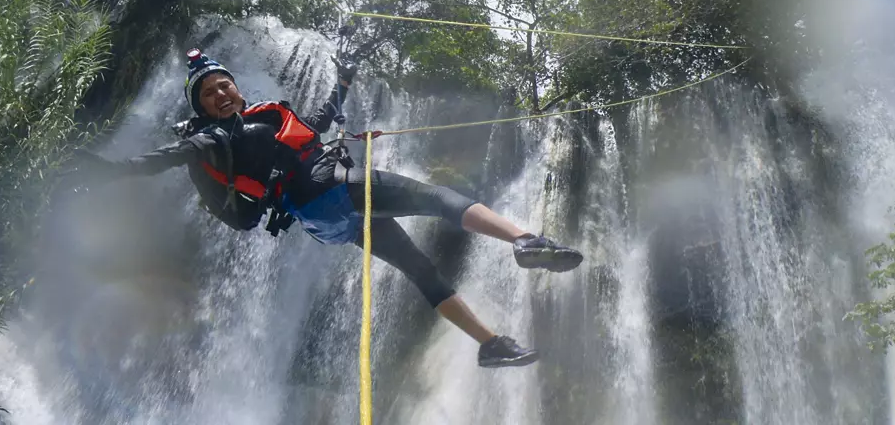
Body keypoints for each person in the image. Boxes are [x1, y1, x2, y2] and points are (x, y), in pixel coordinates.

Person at [63, 48, 584, 368]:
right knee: (434, 199)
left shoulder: (268, 118)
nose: (220, 93)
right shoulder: (214, 138)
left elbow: (318, 119)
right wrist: (111, 170)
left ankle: (491, 344)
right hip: (332, 188)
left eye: (225, 85)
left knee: (421, 268)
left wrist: (344, 80)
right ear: (200, 106)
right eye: (208, 92)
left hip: (330, 221)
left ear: (236, 88)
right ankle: (523, 240)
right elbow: (167, 157)